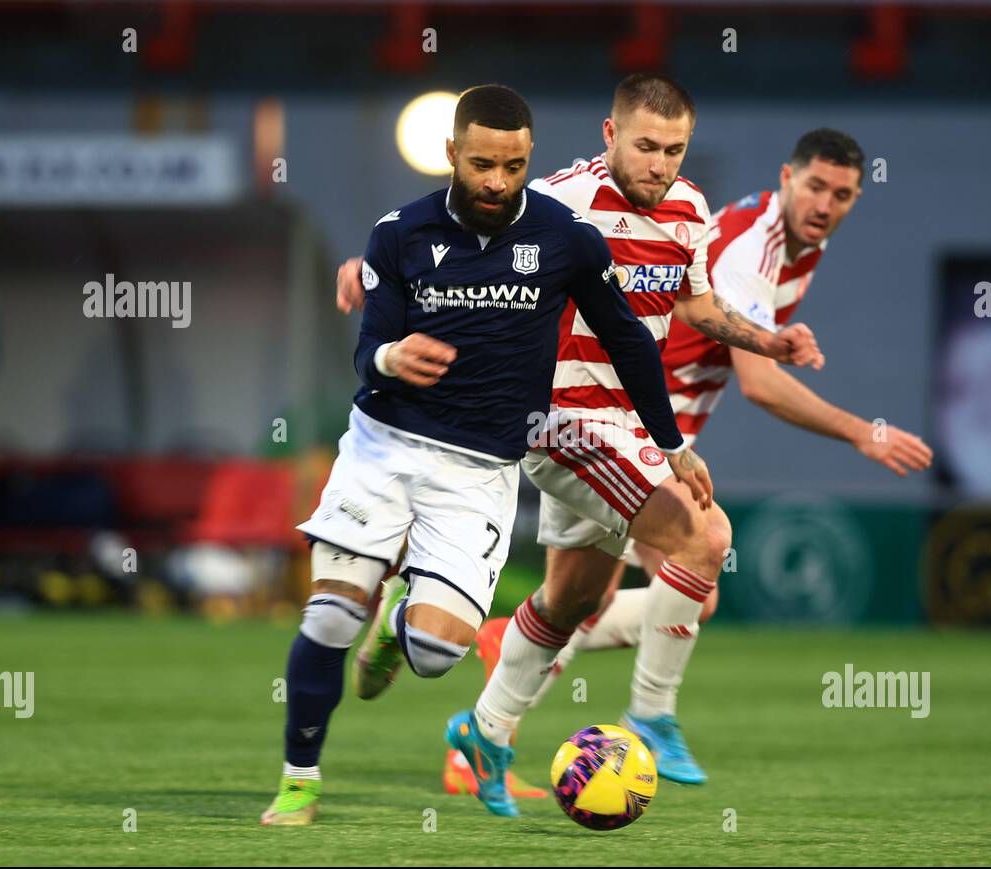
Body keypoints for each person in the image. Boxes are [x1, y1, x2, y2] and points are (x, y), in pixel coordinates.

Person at [337, 75, 825, 818]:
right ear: (609, 135)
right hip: (559, 419)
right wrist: (369, 271)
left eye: (674, 149)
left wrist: (768, 339)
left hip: (627, 430)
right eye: (645, 146)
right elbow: (448, 229)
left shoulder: (690, 209)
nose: (659, 163)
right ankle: (651, 718)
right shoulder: (560, 200)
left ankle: (483, 730)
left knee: (573, 600)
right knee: (705, 537)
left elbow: (694, 305)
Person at [262, 84, 708, 826]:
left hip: (479, 472)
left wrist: (671, 444)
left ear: (528, 158)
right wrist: (390, 358)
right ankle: (299, 779)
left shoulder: (567, 239)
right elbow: (368, 350)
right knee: (331, 619)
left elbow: (630, 340)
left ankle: (401, 612)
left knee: (437, 656)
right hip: (385, 448)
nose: (497, 182)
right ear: (452, 155)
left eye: (512, 166)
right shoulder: (399, 233)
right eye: (481, 165)